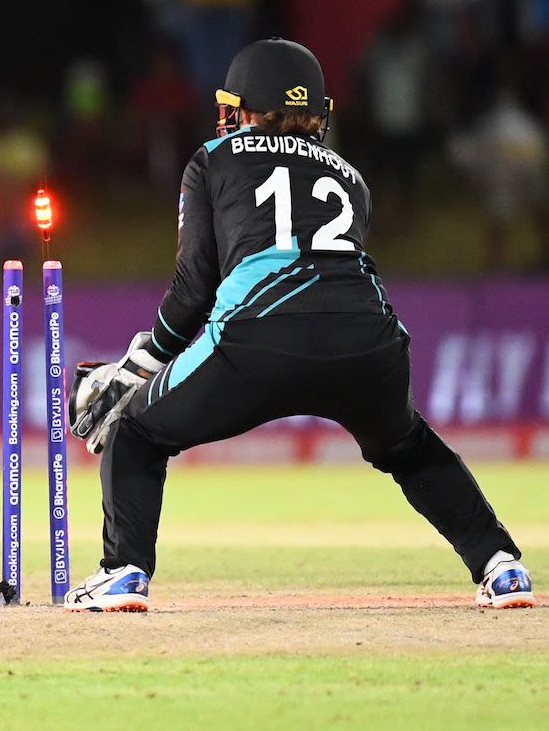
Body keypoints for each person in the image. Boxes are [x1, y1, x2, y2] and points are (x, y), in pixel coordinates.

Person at [64, 38, 534, 613]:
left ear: (243, 108)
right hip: (369, 341)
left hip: (257, 337)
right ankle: (502, 566)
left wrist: (140, 364)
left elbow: (195, 288)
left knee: (136, 433)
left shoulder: (213, 158)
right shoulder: (352, 177)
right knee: (408, 445)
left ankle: (123, 572)